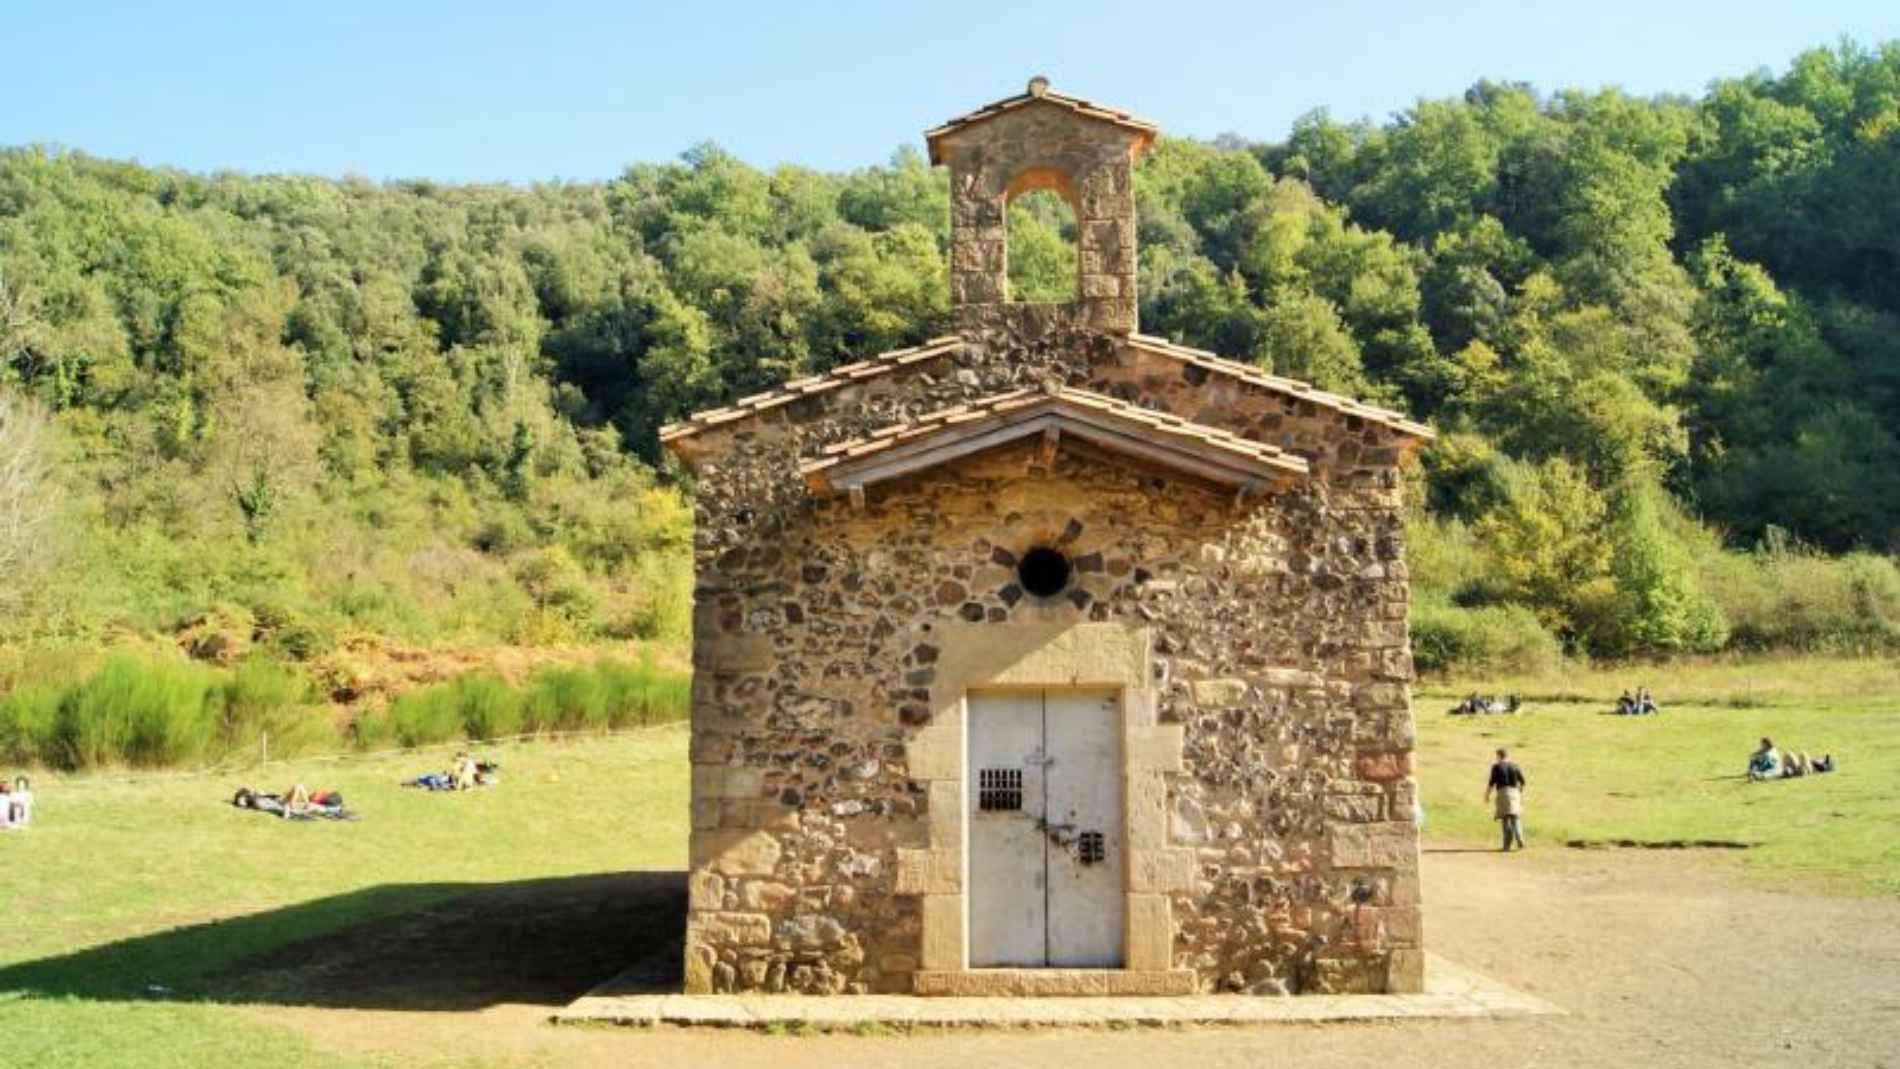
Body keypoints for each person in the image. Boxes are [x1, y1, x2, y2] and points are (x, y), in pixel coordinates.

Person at [1484, 747, 1527, 852]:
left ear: (1499, 755)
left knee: (1505, 819)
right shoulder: (1515, 766)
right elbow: (1523, 781)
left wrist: (1487, 795)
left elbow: (1491, 783)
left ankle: (1506, 846)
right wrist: (1519, 792)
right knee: (1515, 817)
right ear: (1507, 755)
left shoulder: (1496, 766)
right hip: (1515, 793)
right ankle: (1520, 839)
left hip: (1503, 793)